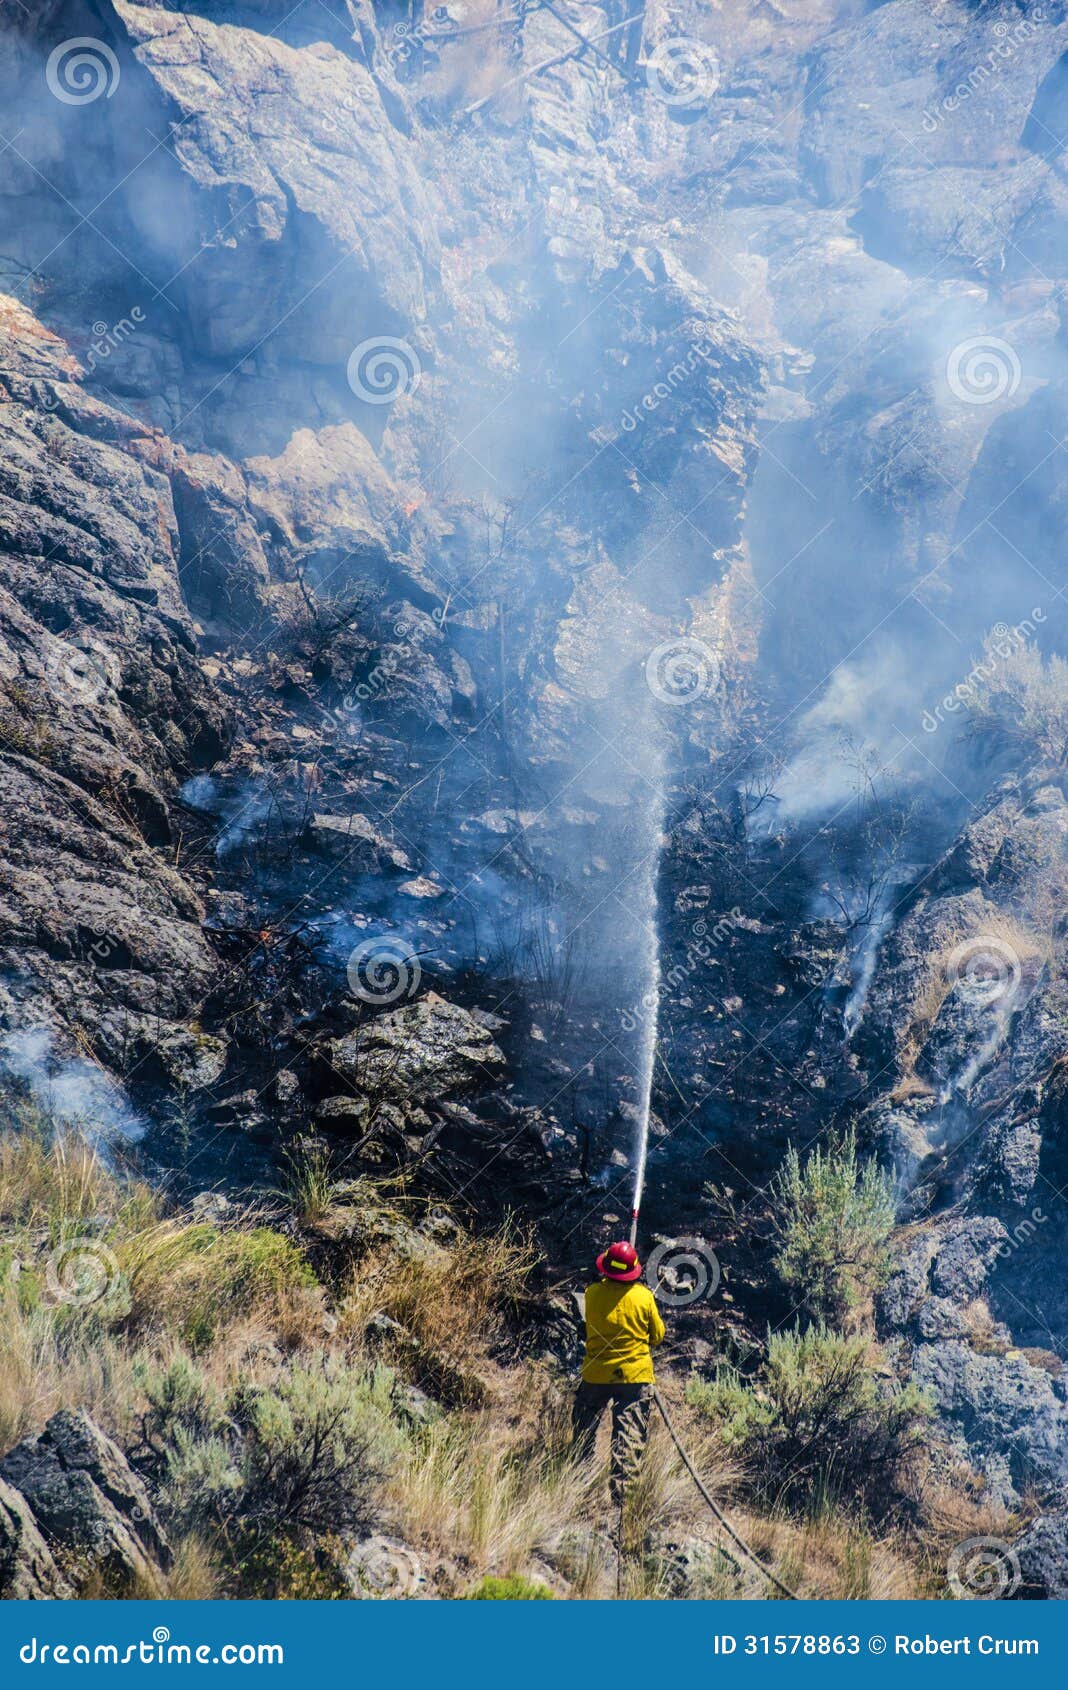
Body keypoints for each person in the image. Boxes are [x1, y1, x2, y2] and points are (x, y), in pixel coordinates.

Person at [572, 1239, 665, 1505]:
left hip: (596, 1375)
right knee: (629, 1438)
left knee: (583, 1429)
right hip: (634, 1378)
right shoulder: (644, 1297)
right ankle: (624, 1504)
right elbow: (657, 1336)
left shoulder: (591, 1293)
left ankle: (580, 1486)